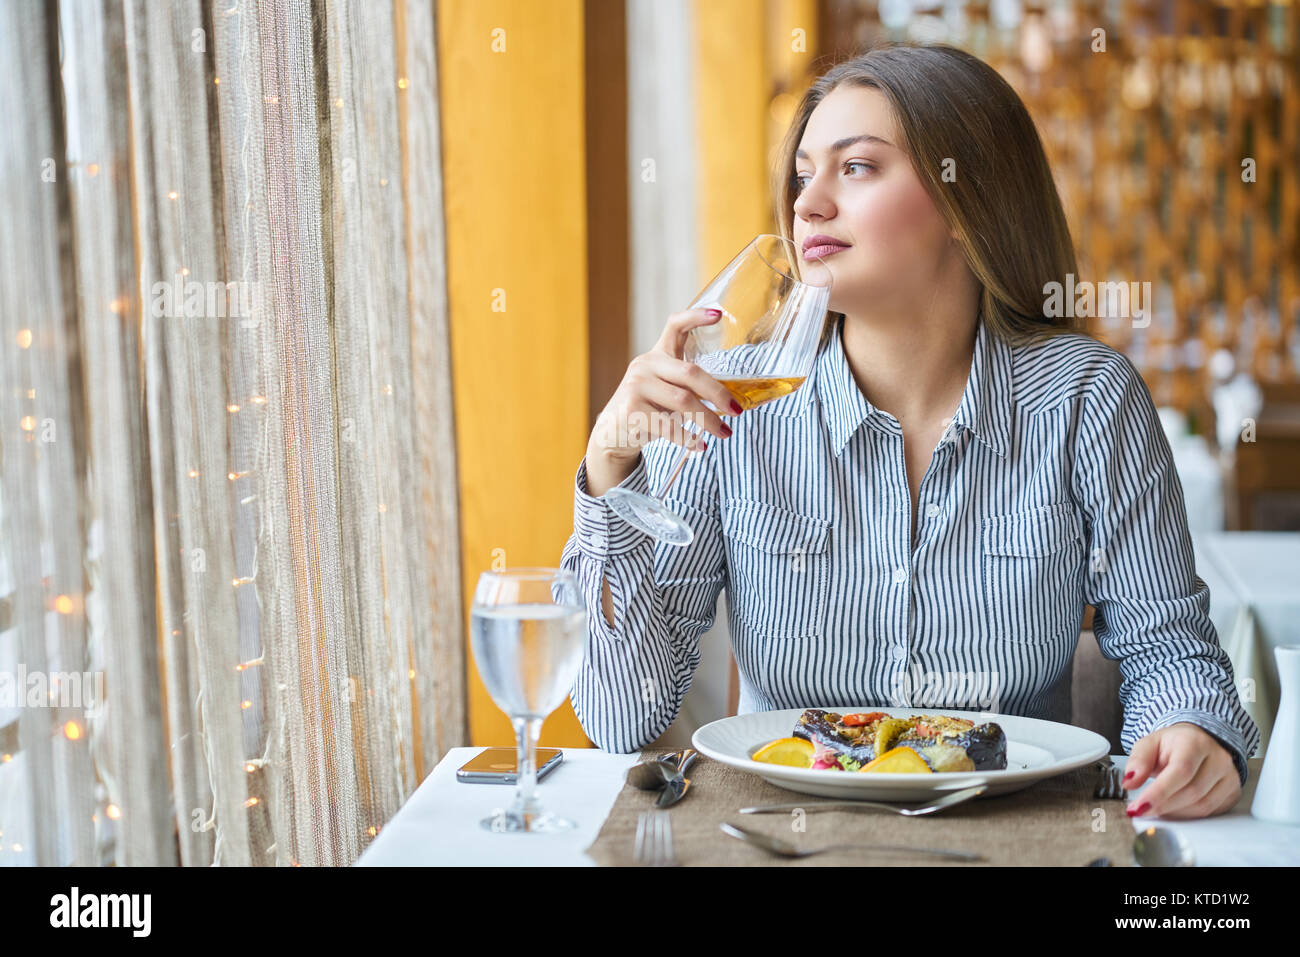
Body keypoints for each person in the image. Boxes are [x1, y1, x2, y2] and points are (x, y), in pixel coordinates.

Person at [559, 42, 1259, 820]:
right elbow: (622, 718)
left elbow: (1168, 647)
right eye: (802, 173)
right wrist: (610, 469)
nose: (808, 203)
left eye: (855, 167)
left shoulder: (1086, 399)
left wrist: (1191, 729)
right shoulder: (732, 405)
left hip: (1011, 838)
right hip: (783, 838)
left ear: (967, 202)